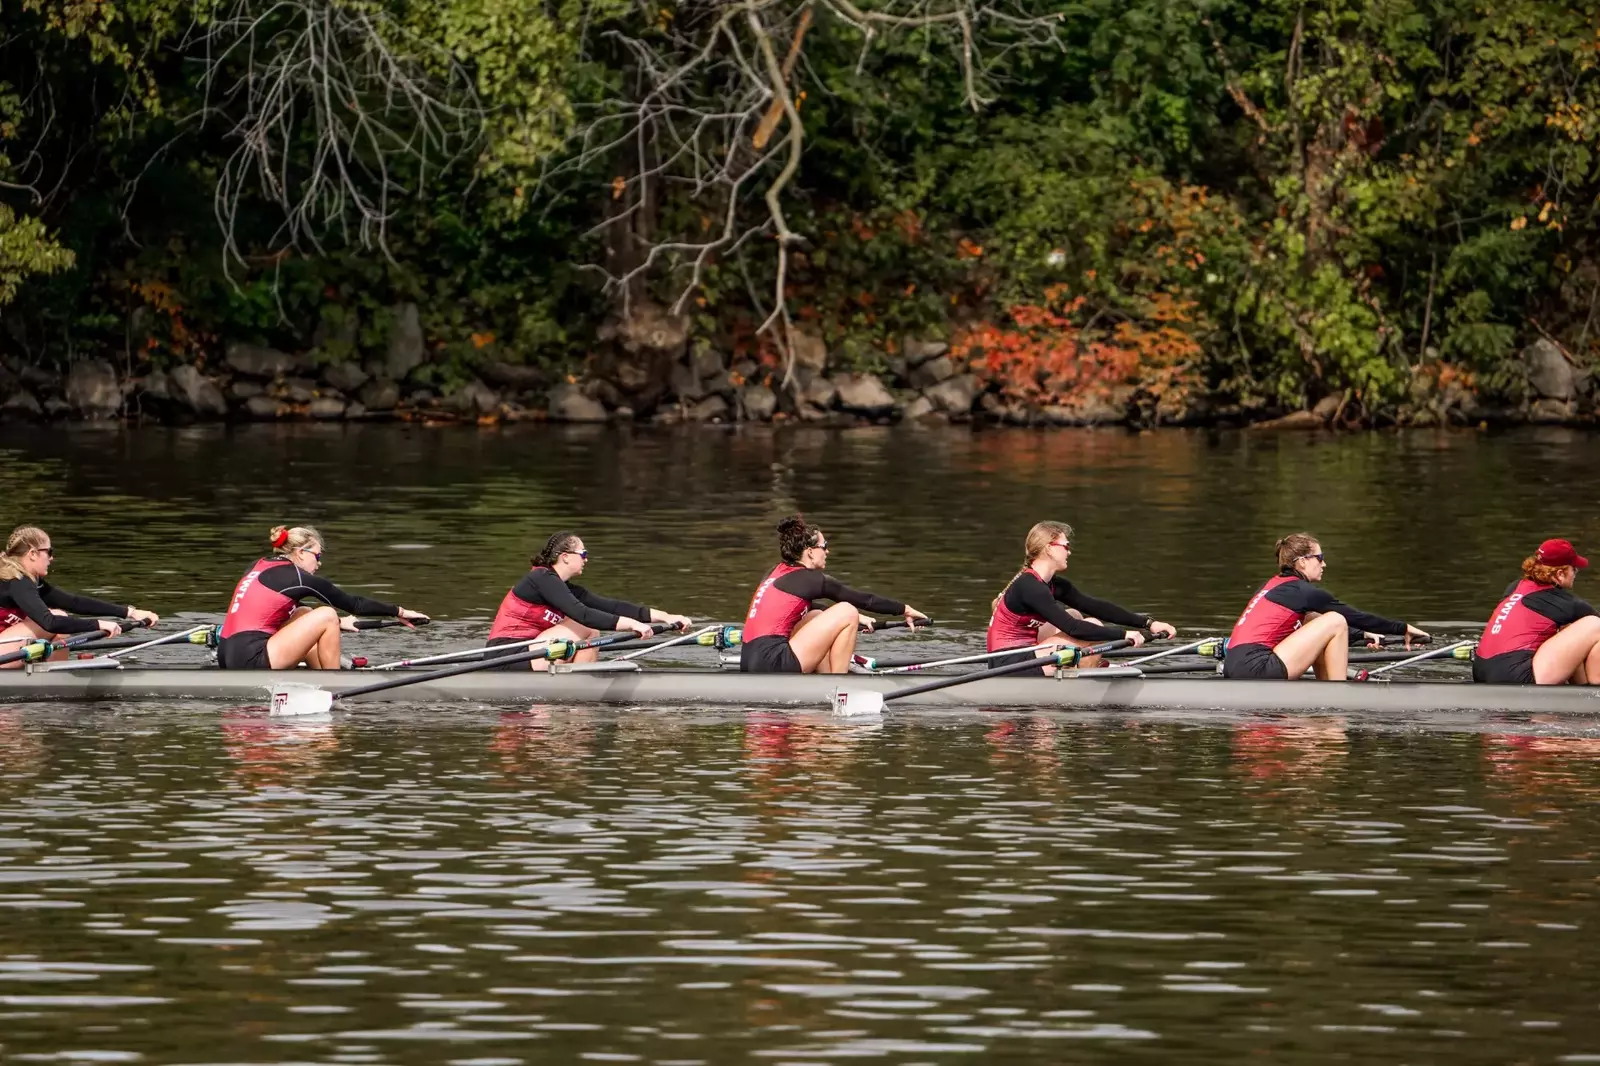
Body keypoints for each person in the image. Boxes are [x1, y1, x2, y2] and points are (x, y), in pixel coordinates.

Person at [218, 525, 428, 670]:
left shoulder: (259, 565)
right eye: (317, 556)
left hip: (227, 653)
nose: (318, 564)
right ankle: (333, 680)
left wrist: (339, 623)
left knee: (304, 613)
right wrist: (399, 611)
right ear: (300, 552)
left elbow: (273, 606)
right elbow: (354, 604)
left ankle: (320, 671)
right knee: (326, 614)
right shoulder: (299, 577)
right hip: (251, 658)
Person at [1225, 532, 1428, 681]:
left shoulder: (1271, 586)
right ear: (1302, 562)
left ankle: (1326, 685)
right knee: (1335, 619)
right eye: (1320, 558)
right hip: (1256, 668)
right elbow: (1355, 616)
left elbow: (1308, 625)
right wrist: (1403, 628)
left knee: (1314, 618)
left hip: (1233, 665)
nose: (1324, 564)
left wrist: (1362, 635)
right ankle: (1337, 693)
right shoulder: (1304, 592)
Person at [741, 515, 927, 674]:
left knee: (816, 616)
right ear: (811, 552)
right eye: (824, 546)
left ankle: (825, 675)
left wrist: (861, 618)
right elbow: (865, 600)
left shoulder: (775, 572)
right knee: (848, 611)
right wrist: (904, 609)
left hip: (749, 660)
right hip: (773, 661)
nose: (827, 551)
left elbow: (803, 608)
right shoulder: (812, 580)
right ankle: (838, 683)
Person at [986, 521, 1176, 675]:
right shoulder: (1029, 586)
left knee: (1077, 614)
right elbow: (1073, 629)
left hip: (1025, 652)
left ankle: (1084, 667)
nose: (1069, 552)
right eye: (1065, 546)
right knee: (1091, 625)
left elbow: (1096, 606)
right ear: (1049, 548)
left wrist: (1148, 624)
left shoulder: (1055, 585)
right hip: (1007, 663)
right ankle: (1087, 676)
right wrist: (1124, 634)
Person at [487, 532, 692, 671]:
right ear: (565, 557)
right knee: (586, 624)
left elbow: (613, 606)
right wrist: (631, 625)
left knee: (592, 631)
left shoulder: (564, 587)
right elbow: (583, 614)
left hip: (532, 652)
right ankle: (578, 682)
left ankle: (580, 682)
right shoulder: (540, 579)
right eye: (583, 554)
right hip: (505, 655)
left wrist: (665, 617)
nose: (586, 559)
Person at [0, 526, 159, 667]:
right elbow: (50, 623)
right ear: (33, 554)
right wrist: (97, 625)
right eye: (49, 552)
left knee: (60, 626)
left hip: (5, 646)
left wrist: (131, 613)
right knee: (57, 617)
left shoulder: (26, 579)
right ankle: (51, 680)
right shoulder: (17, 581)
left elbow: (73, 602)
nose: (51, 558)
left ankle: (53, 677)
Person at [1474, 538, 1600, 685]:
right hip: (1515, 676)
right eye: (1574, 569)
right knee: (1595, 624)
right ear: (1560, 574)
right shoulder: (1565, 604)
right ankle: (1596, 687)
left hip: (1481, 670)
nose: (1575, 574)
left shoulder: (1515, 587)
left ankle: (1582, 687)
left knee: (1569, 628)